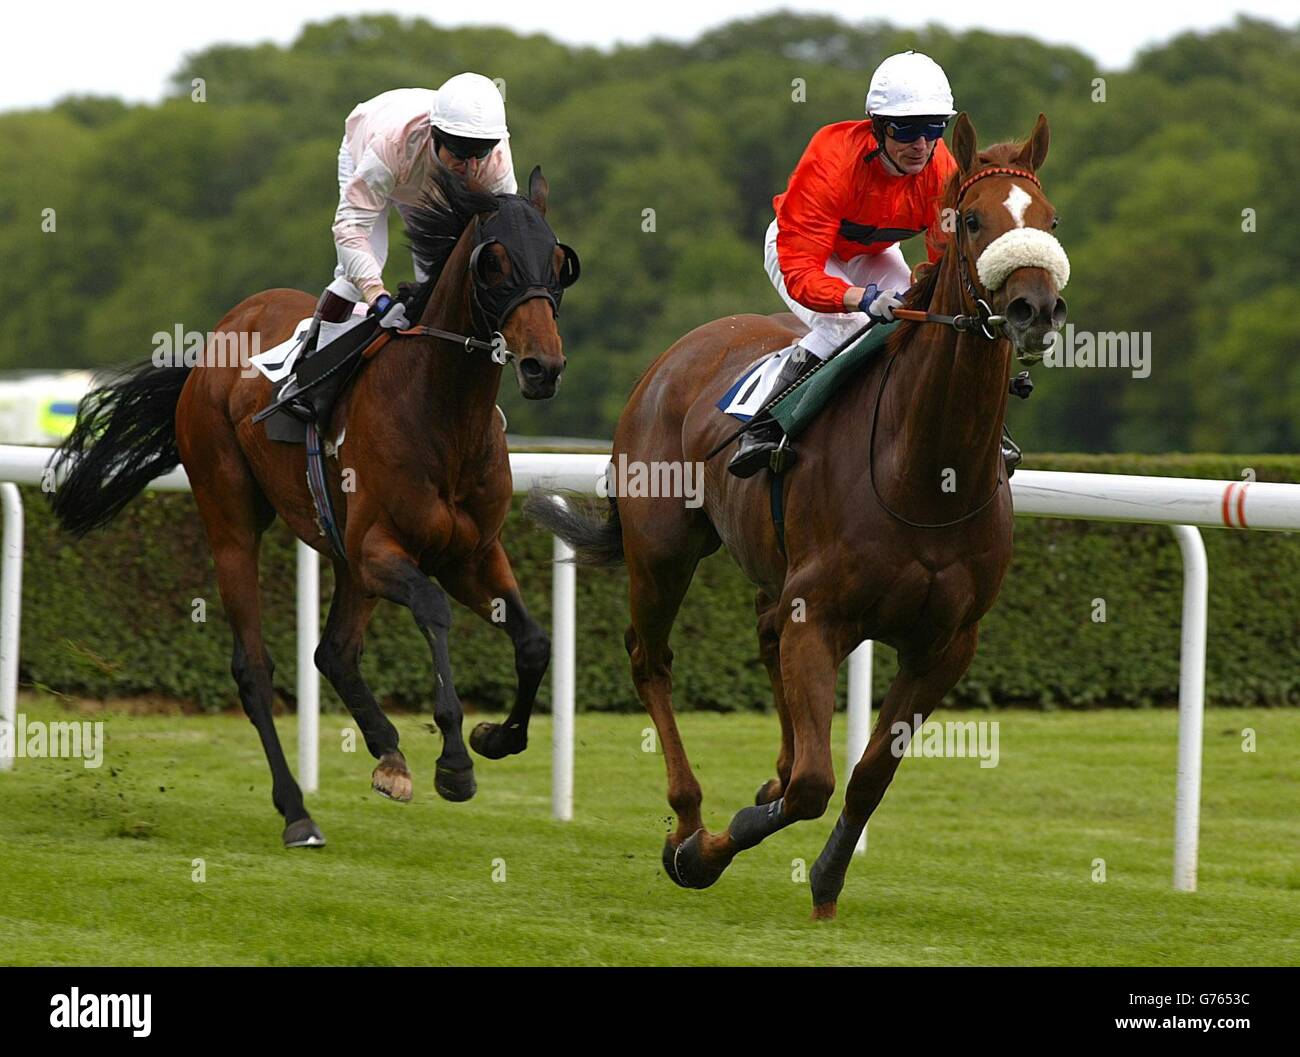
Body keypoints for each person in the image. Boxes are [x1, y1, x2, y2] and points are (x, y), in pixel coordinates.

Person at [729, 51, 1021, 479]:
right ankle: (765, 423)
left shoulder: (941, 169)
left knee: (922, 322)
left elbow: (944, 256)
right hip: (803, 251)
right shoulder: (831, 161)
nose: (921, 144)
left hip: (873, 253)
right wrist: (859, 298)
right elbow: (803, 274)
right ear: (878, 125)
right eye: (907, 129)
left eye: (934, 128)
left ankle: (983, 429)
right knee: (848, 329)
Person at [301, 72, 518, 357]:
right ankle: (306, 367)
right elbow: (349, 228)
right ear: (436, 136)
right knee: (361, 268)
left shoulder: (496, 161)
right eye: (461, 150)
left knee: (438, 279)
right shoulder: (391, 146)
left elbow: (504, 237)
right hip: (371, 153)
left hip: (427, 184)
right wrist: (378, 299)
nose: (472, 165)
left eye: (482, 151)